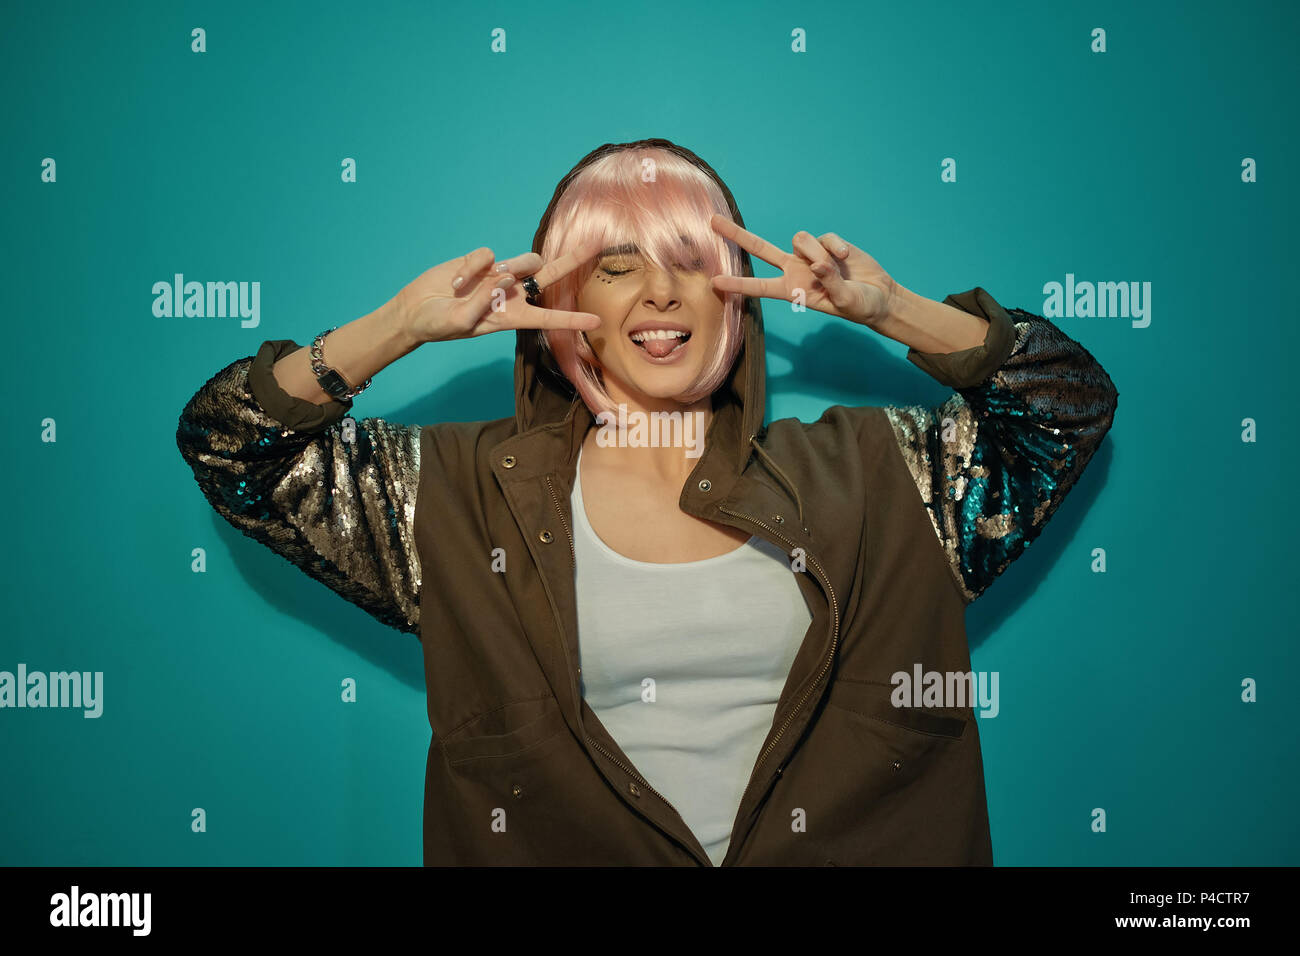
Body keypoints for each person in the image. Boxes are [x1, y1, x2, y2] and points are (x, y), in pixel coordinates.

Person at [176, 137, 1119, 866]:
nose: (660, 292)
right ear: (565, 300)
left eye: (687, 260)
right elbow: (229, 448)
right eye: (617, 264)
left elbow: (1066, 407)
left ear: (735, 300)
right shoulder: (453, 496)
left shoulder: (879, 471)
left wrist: (893, 309)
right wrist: (396, 329)